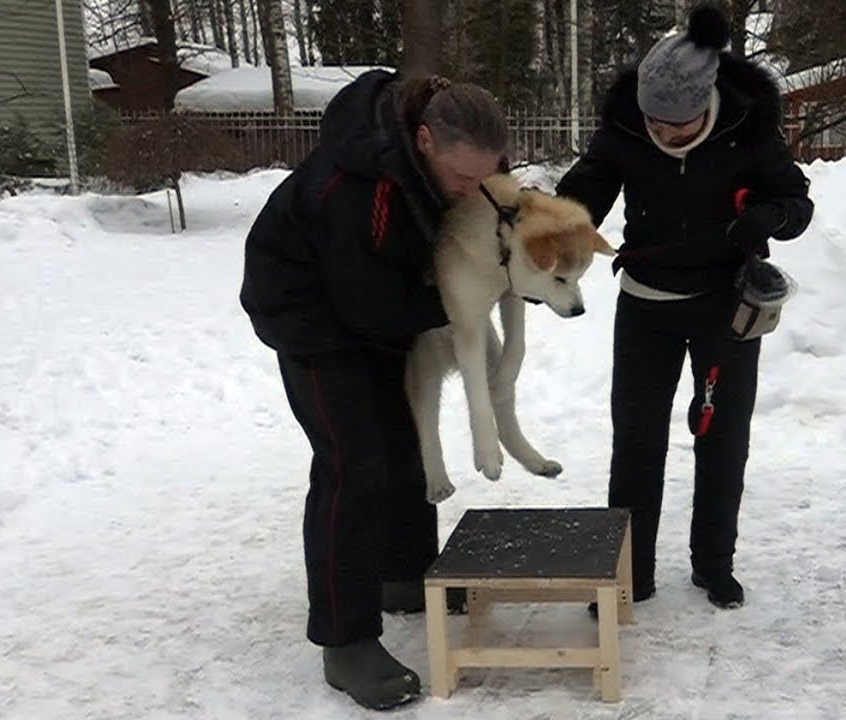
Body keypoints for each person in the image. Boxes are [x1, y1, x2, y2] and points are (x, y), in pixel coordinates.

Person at [239, 70, 508, 710]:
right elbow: (368, 310)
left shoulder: (443, 155)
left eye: (485, 176)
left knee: (404, 440)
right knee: (352, 465)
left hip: (374, 305)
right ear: (422, 140)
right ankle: (346, 639)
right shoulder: (357, 189)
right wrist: (457, 302)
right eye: (464, 180)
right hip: (309, 318)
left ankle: (404, 572)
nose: (475, 191)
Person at [555, 4, 814, 611]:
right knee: (636, 441)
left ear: (709, 102)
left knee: (722, 438)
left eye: (678, 123)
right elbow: (583, 194)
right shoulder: (624, 128)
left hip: (726, 309)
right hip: (646, 305)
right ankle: (630, 572)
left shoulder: (748, 127)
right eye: (655, 121)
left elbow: (796, 201)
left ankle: (713, 563)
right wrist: (554, 219)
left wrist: (770, 216)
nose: (664, 133)